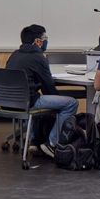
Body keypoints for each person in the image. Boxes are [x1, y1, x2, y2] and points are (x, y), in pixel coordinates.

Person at [6, 24, 78, 158]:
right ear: (37, 41)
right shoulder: (38, 58)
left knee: (30, 98)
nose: (46, 41)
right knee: (71, 103)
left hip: (7, 100)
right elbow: (48, 87)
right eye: (45, 38)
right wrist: (56, 101)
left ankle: (32, 140)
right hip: (29, 101)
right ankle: (52, 143)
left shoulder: (14, 55)